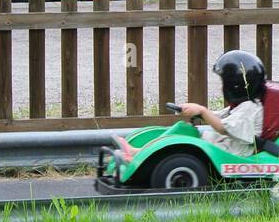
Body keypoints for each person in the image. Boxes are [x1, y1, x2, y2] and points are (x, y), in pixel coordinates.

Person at [112, 50, 266, 162]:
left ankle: (138, 156)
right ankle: (137, 153)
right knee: (183, 129)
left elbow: (222, 128)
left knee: (183, 143)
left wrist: (202, 111)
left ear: (236, 85)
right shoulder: (242, 105)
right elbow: (219, 117)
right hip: (225, 145)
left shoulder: (250, 108)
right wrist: (196, 111)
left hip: (234, 153)